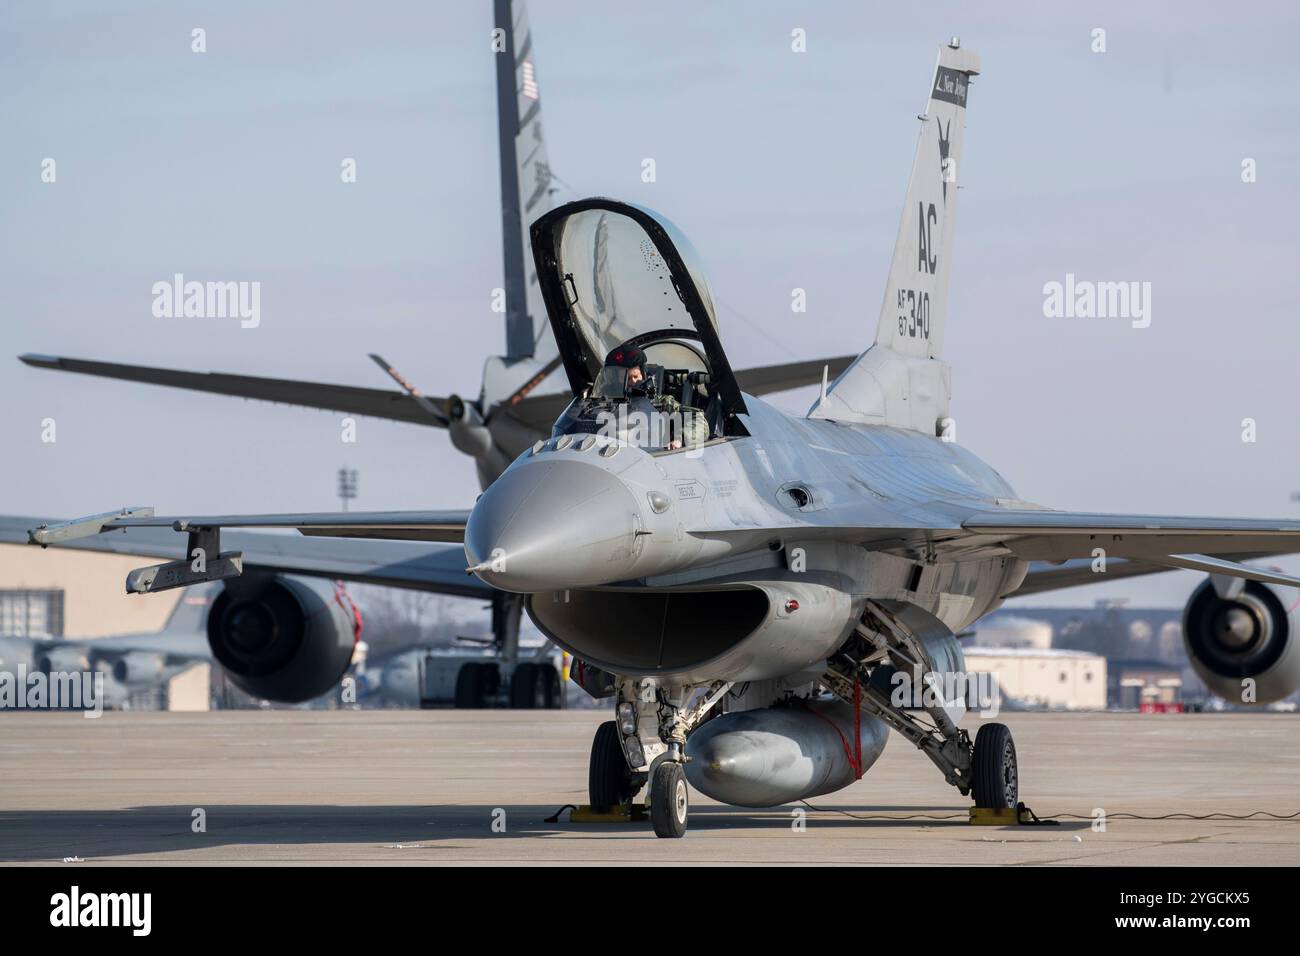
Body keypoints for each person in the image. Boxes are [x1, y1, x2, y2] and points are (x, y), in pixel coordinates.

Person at [603, 345, 708, 450]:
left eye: (635, 376)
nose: (633, 382)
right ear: (615, 381)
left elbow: (698, 419)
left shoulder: (659, 403)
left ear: (643, 376)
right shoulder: (600, 405)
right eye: (627, 379)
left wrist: (680, 439)